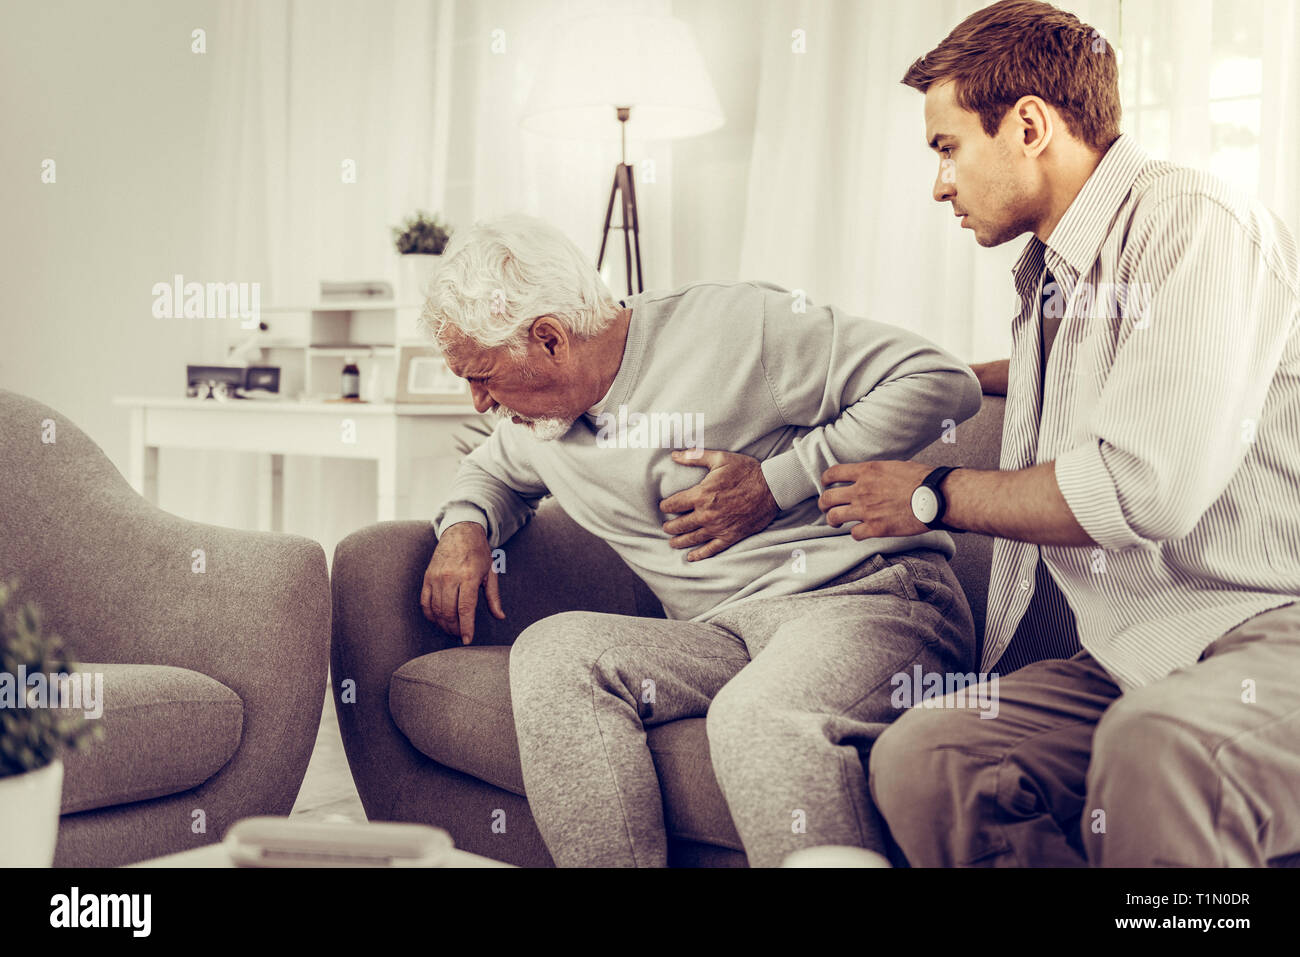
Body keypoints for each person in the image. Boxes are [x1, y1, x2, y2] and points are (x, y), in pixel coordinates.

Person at [834, 0, 1300, 866]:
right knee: (928, 753)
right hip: (1136, 652)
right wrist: (973, 376)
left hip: (1269, 625)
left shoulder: (1192, 225)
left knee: (1163, 746)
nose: (939, 183)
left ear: (1029, 125)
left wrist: (935, 494)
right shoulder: (1053, 280)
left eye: (946, 148)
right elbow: (1126, 371)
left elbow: (1140, 486)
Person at [419, 213, 982, 866]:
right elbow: (491, 470)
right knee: (552, 653)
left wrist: (777, 482)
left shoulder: (737, 326)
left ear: (549, 338)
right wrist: (465, 526)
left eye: (483, 376)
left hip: (867, 598)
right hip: (723, 635)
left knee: (757, 718)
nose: (479, 403)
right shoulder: (536, 418)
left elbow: (942, 384)